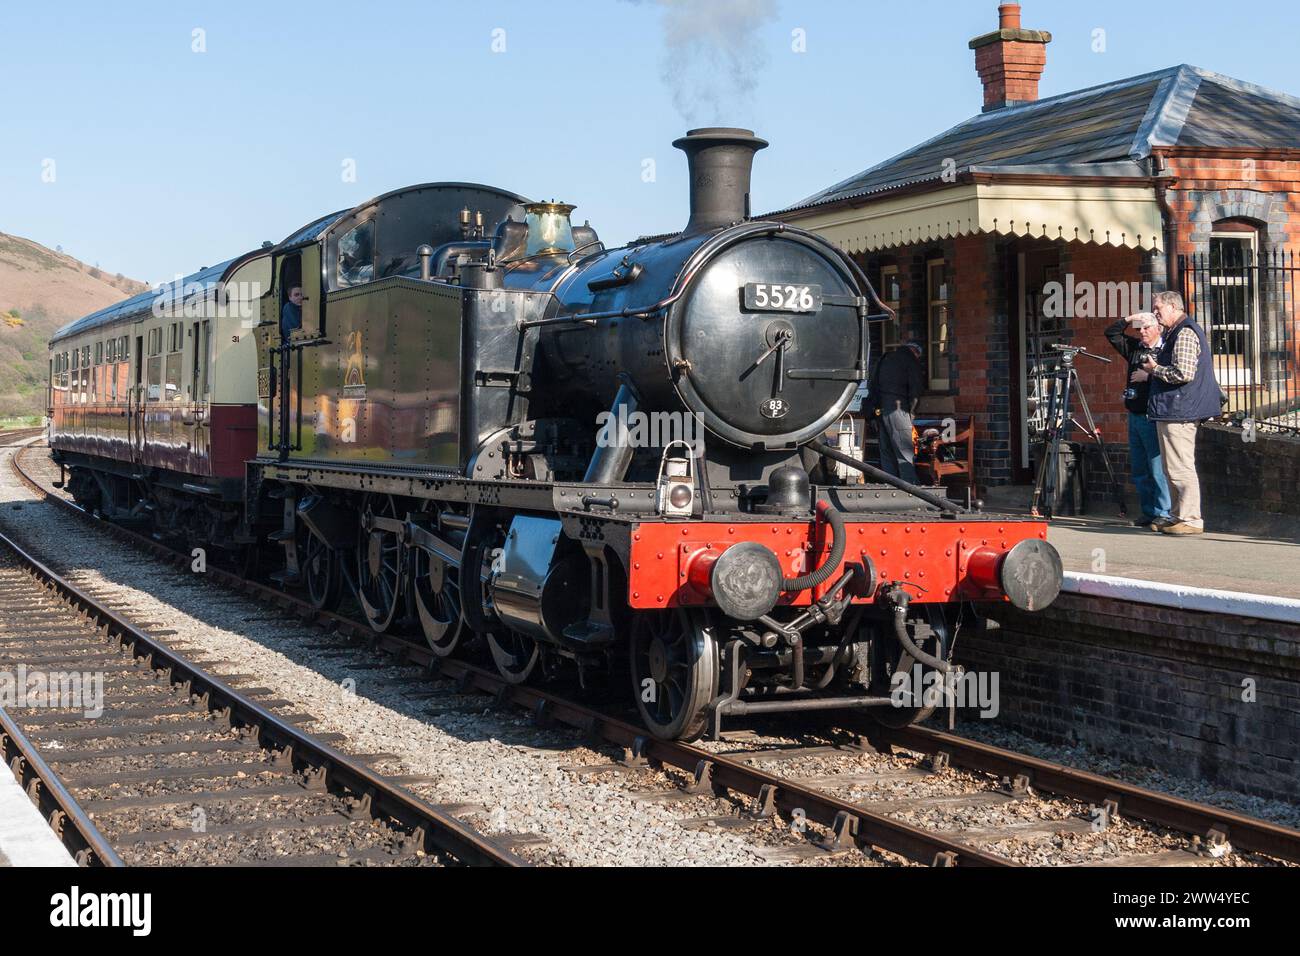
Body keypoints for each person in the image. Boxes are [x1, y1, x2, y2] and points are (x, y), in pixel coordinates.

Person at [1141, 290, 1221, 536]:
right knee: (1170, 467)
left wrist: (1155, 369)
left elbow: (1183, 373)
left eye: (1158, 308)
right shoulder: (1174, 332)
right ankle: (1177, 515)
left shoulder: (1185, 332)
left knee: (1181, 467)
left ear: (1174, 307)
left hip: (1181, 410)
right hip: (1172, 409)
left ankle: (1191, 518)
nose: (1155, 313)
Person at [1109, 312, 1173, 530]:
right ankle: (1148, 512)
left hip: (1152, 415)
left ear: (1158, 328)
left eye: (1146, 327)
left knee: (1157, 468)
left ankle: (1163, 512)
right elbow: (1111, 333)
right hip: (1134, 414)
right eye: (1140, 328)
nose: (1142, 332)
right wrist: (1131, 318)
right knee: (1139, 468)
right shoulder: (1136, 348)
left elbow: (1179, 375)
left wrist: (1150, 375)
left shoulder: (1165, 350)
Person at [870, 340, 925, 483]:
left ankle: (891, 488)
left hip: (880, 411)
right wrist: (911, 413)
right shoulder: (910, 360)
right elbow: (916, 389)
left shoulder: (884, 358)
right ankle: (911, 489)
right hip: (898, 410)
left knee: (887, 454)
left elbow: (873, 385)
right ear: (915, 352)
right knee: (904, 453)